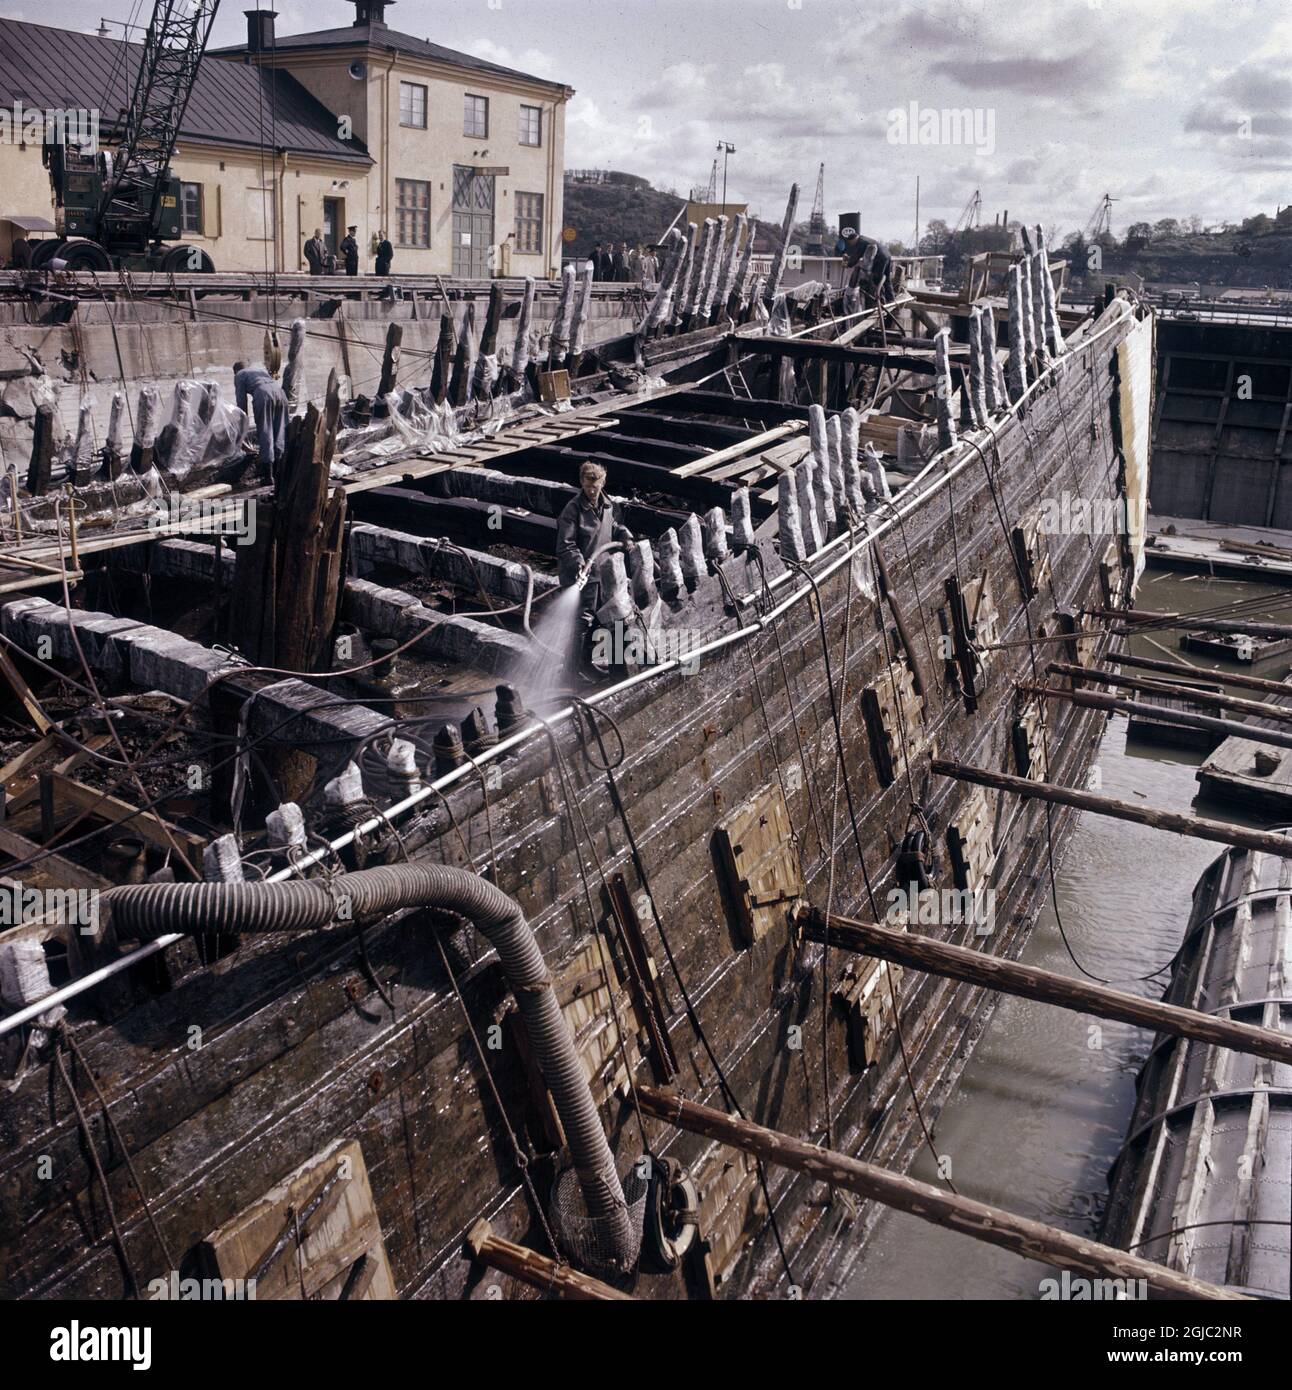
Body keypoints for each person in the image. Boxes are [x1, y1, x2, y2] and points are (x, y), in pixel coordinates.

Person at [555, 459, 633, 671]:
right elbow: (565, 545)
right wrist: (580, 564)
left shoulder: (606, 504)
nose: (591, 491)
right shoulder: (572, 510)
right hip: (582, 577)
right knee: (583, 621)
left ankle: (587, 663)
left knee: (601, 618)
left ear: (603, 483)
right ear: (581, 482)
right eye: (588, 486)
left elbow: (612, 526)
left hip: (602, 573)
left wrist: (624, 534)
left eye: (595, 487)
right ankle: (573, 671)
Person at [233, 360, 289, 479]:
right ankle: (279, 472)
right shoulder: (259, 370)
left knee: (265, 431)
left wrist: (243, 423)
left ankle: (268, 476)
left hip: (263, 394)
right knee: (280, 432)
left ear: (235, 371)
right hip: (280, 393)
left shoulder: (239, 375)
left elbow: (241, 401)